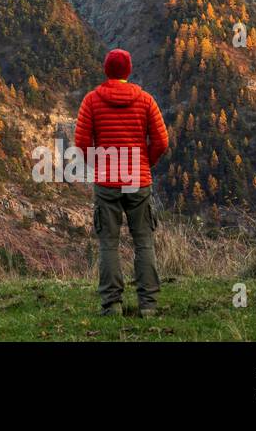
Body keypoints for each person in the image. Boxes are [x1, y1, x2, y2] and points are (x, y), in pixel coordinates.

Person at [73, 48, 170, 317]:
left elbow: (81, 143)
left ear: (106, 70)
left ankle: (112, 305)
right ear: (128, 71)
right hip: (137, 181)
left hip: (107, 182)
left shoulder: (92, 101)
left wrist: (100, 166)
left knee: (109, 244)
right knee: (144, 242)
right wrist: (144, 164)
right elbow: (161, 141)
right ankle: (148, 305)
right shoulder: (146, 100)